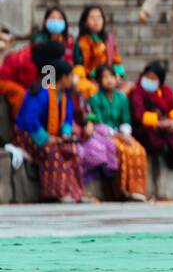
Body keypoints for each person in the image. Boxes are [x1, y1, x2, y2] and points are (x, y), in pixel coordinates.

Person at [14, 59, 83, 202]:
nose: (73, 79)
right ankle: (56, 193)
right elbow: (30, 119)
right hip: (29, 134)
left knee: (72, 151)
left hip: (52, 135)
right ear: (63, 78)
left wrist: (65, 134)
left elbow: (68, 117)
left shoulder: (64, 95)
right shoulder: (41, 93)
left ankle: (74, 192)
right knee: (52, 151)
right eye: (71, 76)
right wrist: (47, 138)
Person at [86, 65, 149, 201]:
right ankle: (123, 190)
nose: (108, 80)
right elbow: (99, 123)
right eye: (104, 77)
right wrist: (119, 136)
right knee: (121, 150)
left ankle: (137, 189)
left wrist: (125, 134)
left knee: (138, 150)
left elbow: (125, 119)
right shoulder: (95, 99)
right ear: (98, 80)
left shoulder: (122, 98)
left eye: (111, 76)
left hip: (121, 134)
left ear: (116, 78)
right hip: (104, 136)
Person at [129, 60, 173, 169]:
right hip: (146, 126)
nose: (149, 81)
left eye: (153, 79)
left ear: (160, 81)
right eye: (148, 77)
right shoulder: (137, 91)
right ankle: (164, 148)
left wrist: (172, 122)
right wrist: (160, 123)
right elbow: (139, 115)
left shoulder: (165, 91)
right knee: (149, 132)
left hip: (165, 123)